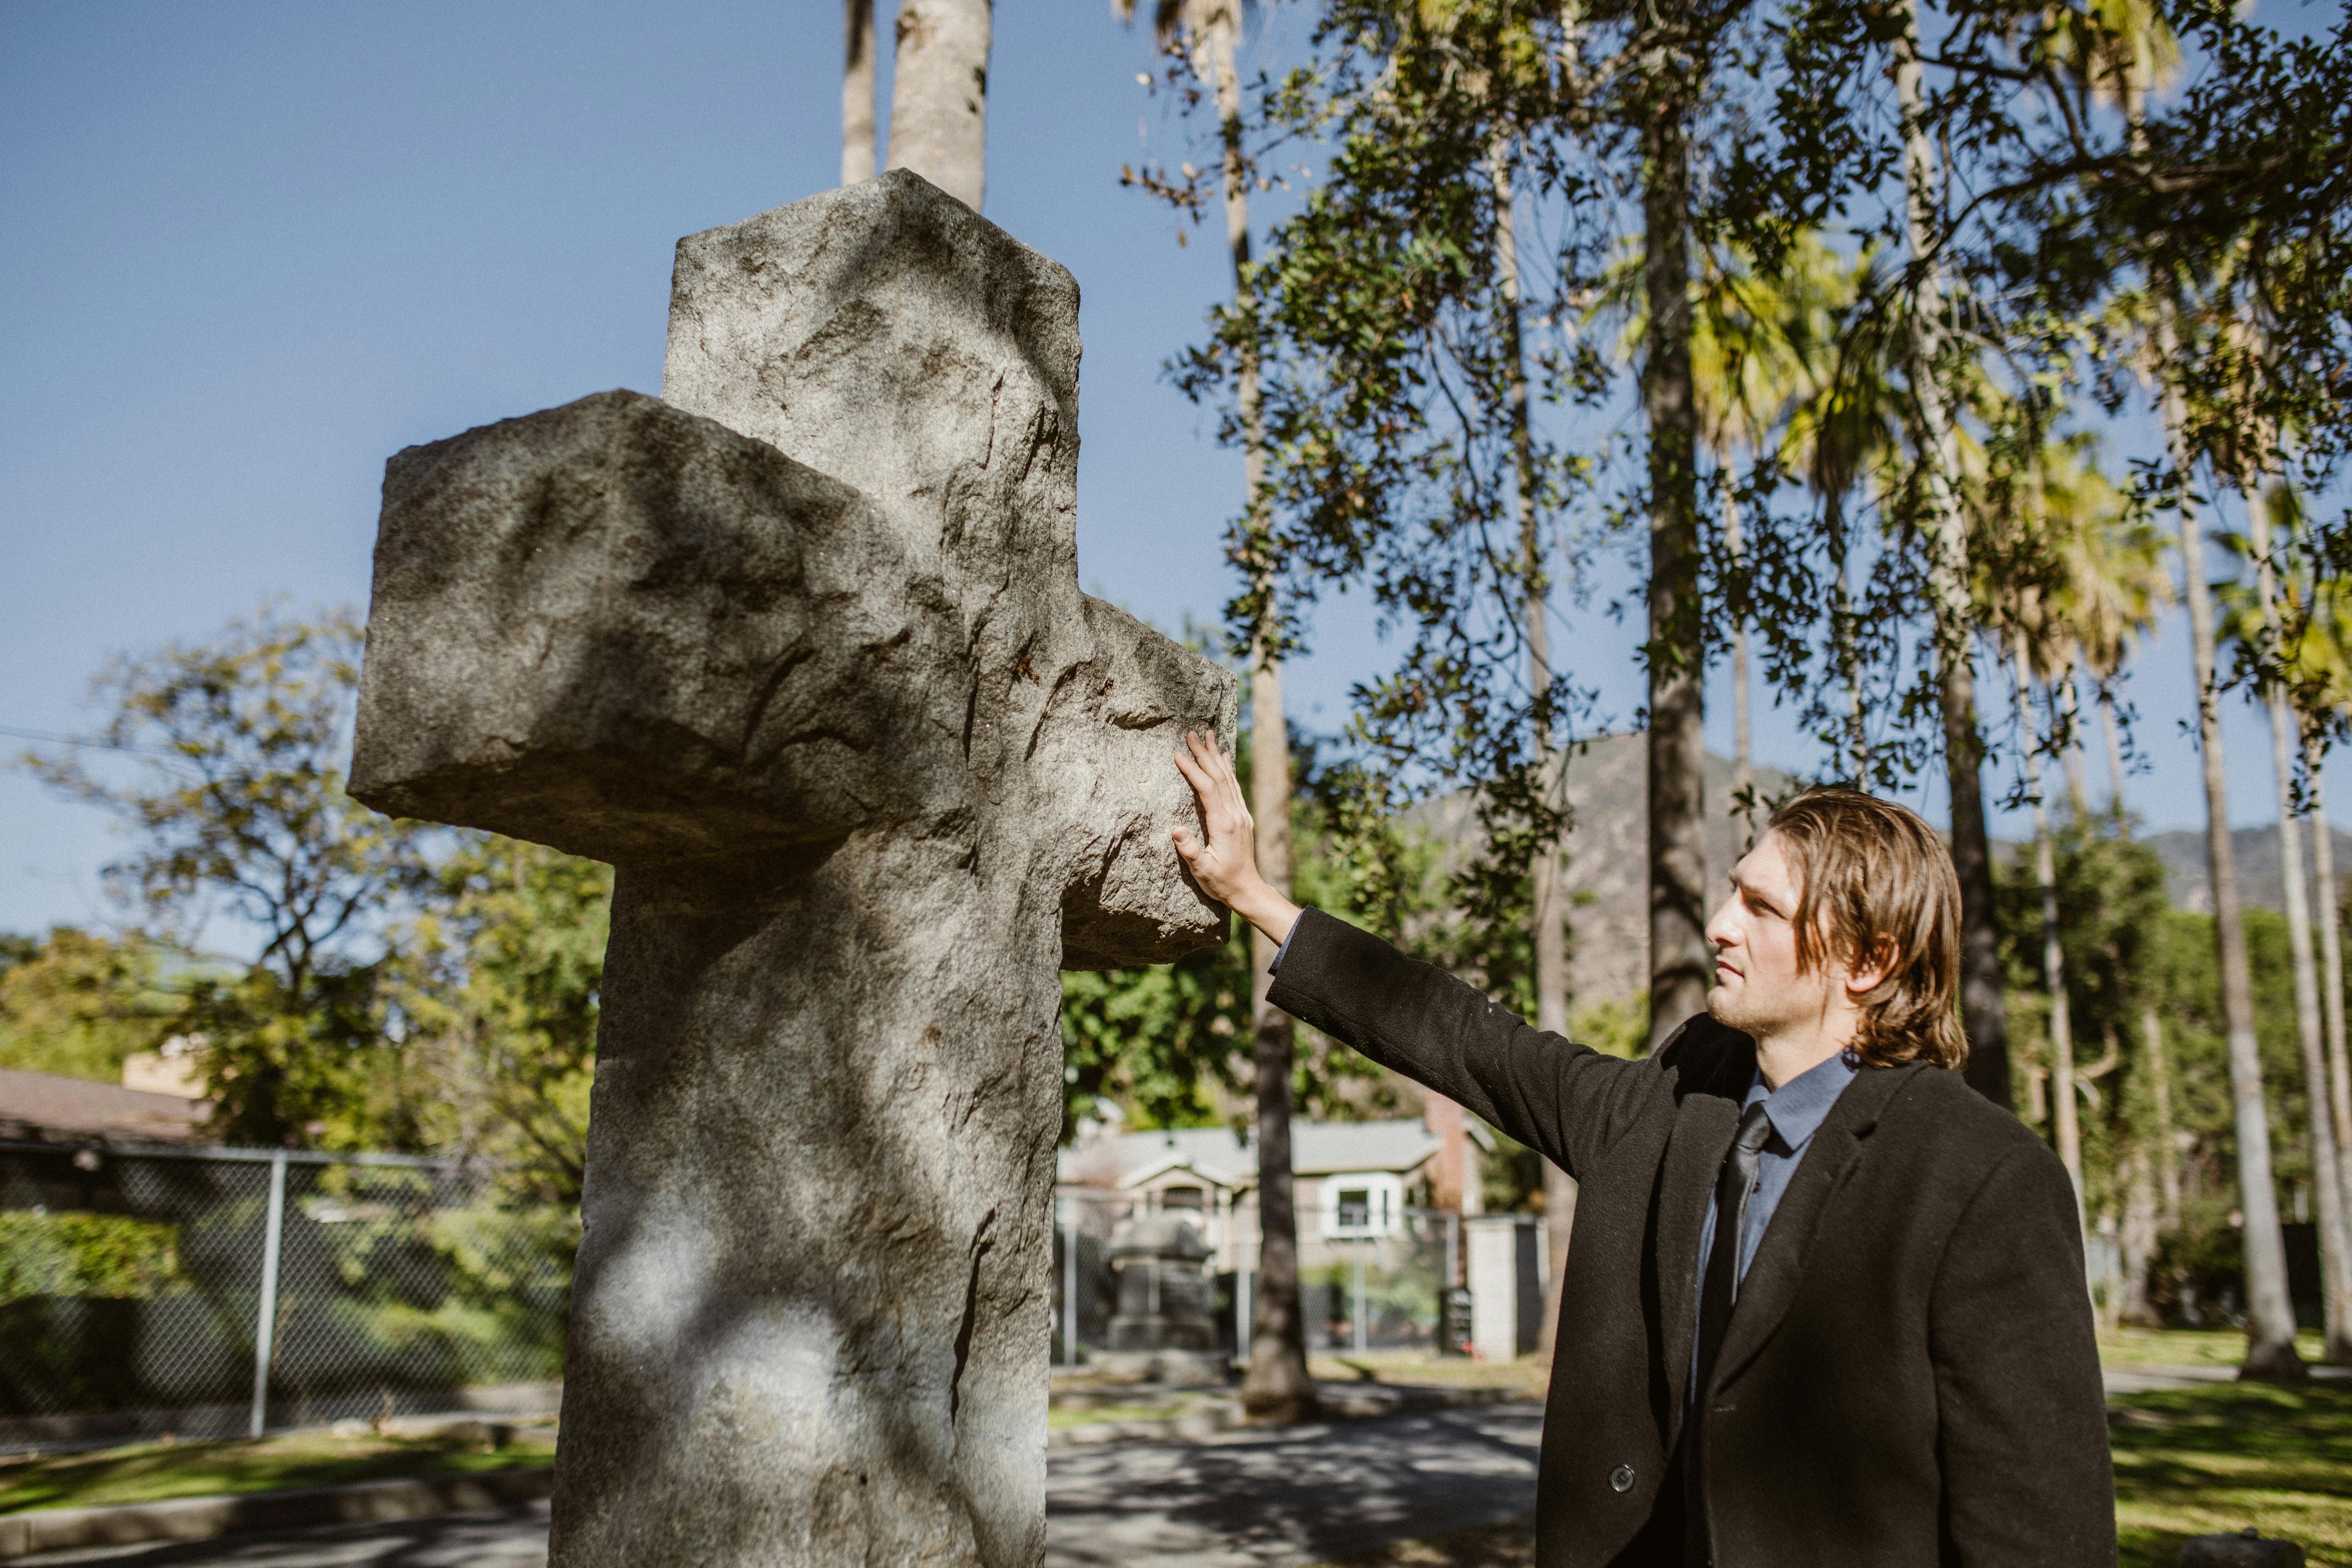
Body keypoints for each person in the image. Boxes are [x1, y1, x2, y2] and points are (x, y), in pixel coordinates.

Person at [1170, 732, 2113, 1568]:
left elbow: (2039, 1534)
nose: (1720, 924)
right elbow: (1473, 1043)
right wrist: (1254, 897)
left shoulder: (1985, 1181)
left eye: (1762, 908)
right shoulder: (1677, 1098)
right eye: (1731, 891)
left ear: (1866, 962)